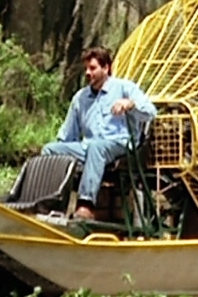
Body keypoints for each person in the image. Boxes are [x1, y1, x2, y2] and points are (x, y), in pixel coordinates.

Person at [42, 46, 156, 219]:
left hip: (121, 145)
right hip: (88, 148)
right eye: (86, 68)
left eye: (93, 68)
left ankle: (86, 206)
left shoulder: (125, 88)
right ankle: (51, 204)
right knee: (50, 150)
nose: (88, 72)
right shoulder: (80, 98)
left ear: (106, 68)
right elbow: (66, 136)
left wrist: (130, 104)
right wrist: (63, 150)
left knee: (97, 147)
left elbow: (150, 112)